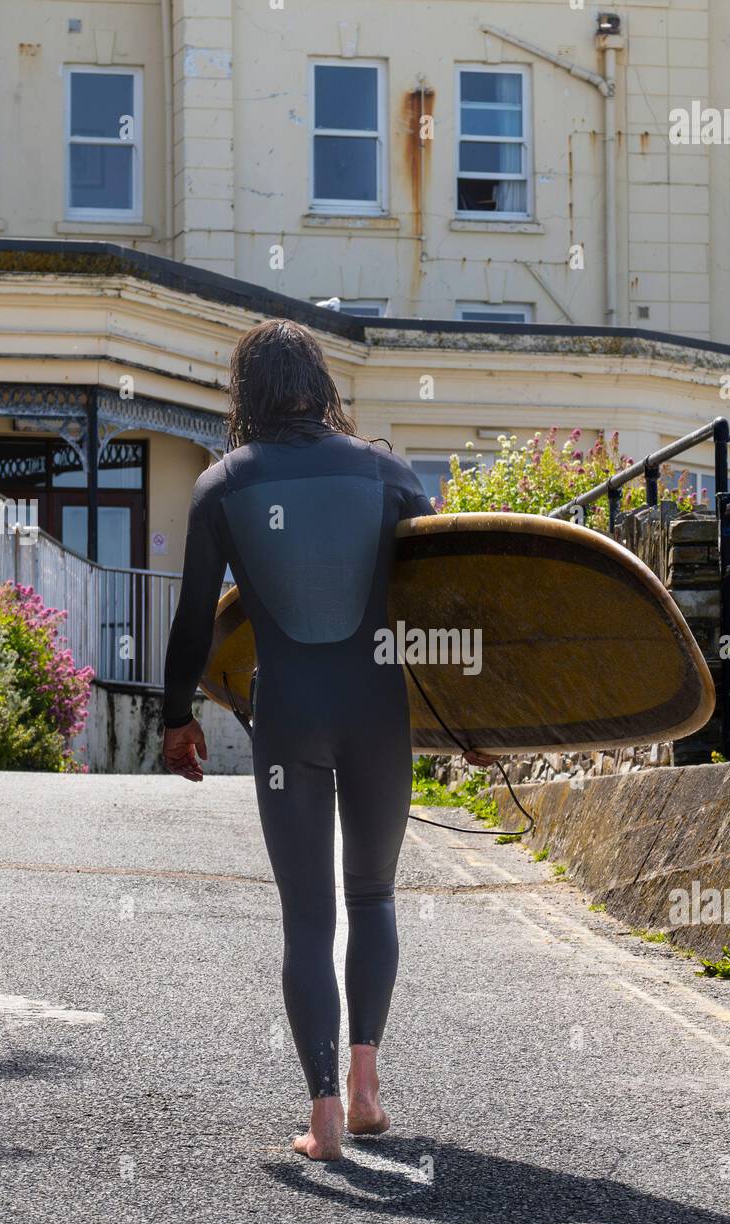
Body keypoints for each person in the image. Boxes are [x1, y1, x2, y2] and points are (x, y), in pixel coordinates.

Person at [161, 318, 439, 1160]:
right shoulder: (389, 471)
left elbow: (191, 628)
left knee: (309, 917)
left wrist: (176, 720)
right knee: (375, 898)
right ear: (322, 385)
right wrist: (478, 724)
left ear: (245, 395)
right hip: (381, 711)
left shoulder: (222, 486)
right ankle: (366, 1090)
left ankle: (322, 1122)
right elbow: (446, 601)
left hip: (289, 718)